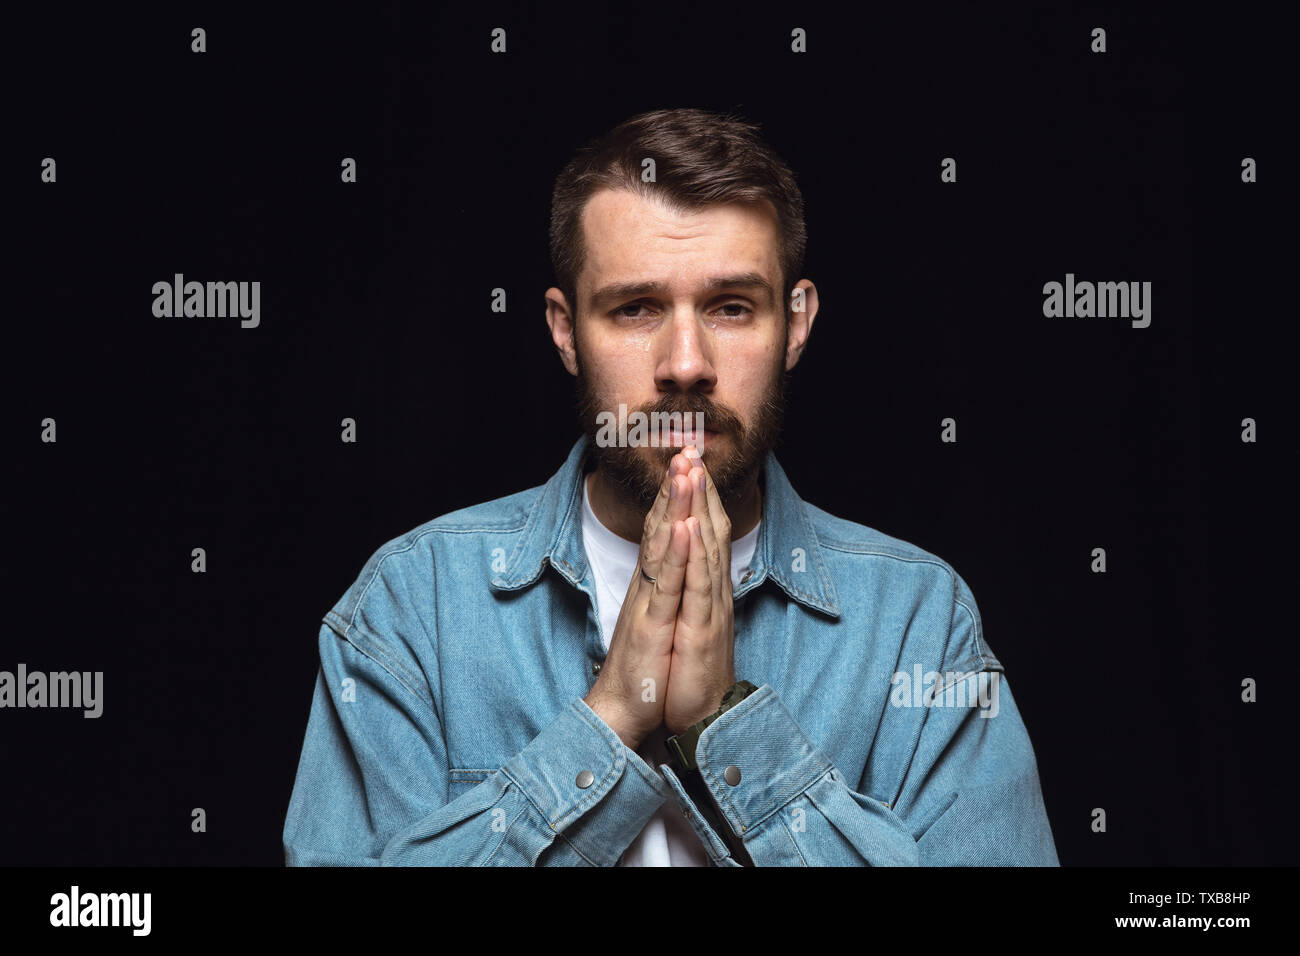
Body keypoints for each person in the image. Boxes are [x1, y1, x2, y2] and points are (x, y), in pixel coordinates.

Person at [282, 108, 1059, 866]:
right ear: (564, 331)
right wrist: (610, 718)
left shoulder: (917, 625)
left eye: (730, 307)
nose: (684, 363)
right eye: (635, 308)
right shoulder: (411, 610)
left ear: (795, 325)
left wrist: (729, 731)